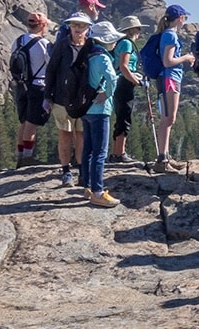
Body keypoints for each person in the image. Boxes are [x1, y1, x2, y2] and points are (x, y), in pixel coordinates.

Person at [44, 14, 91, 185]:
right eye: (74, 25)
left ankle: (81, 171)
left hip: (83, 100)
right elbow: (51, 71)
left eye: (82, 25)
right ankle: (66, 172)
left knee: (81, 136)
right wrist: (47, 96)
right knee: (65, 134)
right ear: (70, 26)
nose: (78, 28)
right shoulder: (62, 45)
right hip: (61, 99)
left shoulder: (91, 46)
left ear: (88, 28)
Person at [145, 5, 193, 173]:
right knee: (168, 119)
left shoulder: (167, 34)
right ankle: (162, 159)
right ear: (179, 18)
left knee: (168, 118)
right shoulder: (171, 35)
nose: (185, 21)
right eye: (184, 18)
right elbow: (168, 61)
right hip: (170, 78)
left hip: (168, 78)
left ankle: (164, 155)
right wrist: (186, 57)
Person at [81, 22, 122, 208]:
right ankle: (98, 192)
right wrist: (108, 93)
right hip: (100, 108)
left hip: (86, 108)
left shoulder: (87, 54)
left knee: (88, 149)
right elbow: (112, 78)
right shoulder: (102, 57)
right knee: (100, 152)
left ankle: (87, 187)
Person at [8, 12, 52, 167]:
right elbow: (51, 65)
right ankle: (27, 158)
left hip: (21, 85)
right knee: (32, 123)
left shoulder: (18, 41)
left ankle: (20, 155)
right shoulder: (43, 44)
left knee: (24, 121)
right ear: (42, 25)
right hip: (38, 86)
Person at [108, 16, 147, 165]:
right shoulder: (127, 44)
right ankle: (119, 153)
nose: (140, 31)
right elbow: (124, 67)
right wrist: (135, 80)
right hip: (124, 82)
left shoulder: (119, 43)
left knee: (121, 115)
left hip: (119, 81)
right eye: (138, 28)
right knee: (124, 115)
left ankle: (116, 152)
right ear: (134, 30)